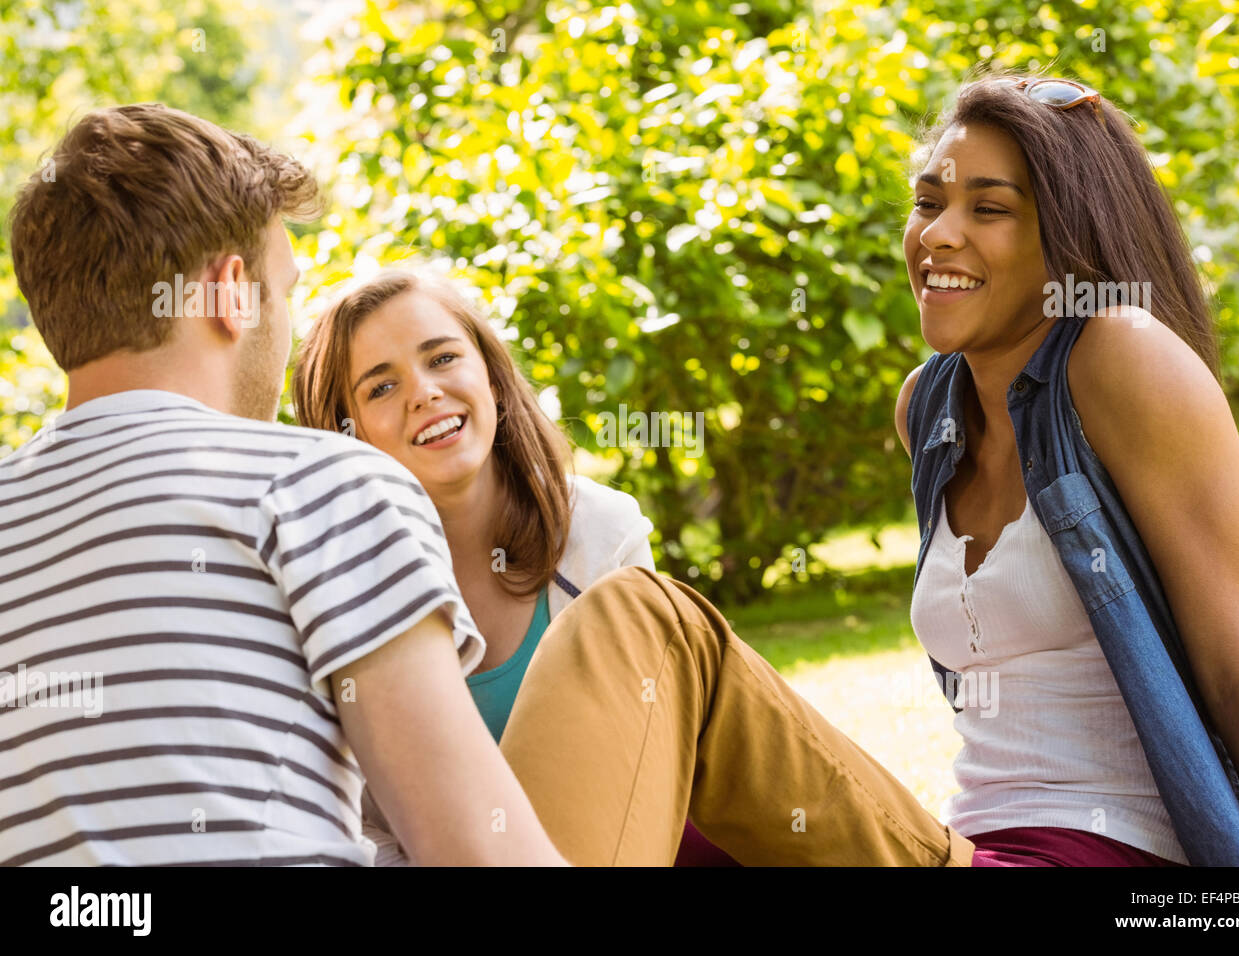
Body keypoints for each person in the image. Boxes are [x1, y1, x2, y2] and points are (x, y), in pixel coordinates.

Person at [0, 104, 566, 865]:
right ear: (233, 294)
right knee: (676, 639)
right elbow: (477, 852)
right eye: (286, 288)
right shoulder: (322, 486)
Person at [894, 74, 1239, 866]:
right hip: (972, 848)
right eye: (928, 201)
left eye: (989, 208)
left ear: (1068, 238)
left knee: (663, 635)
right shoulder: (928, 409)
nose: (938, 234)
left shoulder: (1120, 356)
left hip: (1116, 851)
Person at [291, 270, 736, 865]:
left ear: (492, 379)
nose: (423, 393)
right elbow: (372, 836)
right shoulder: (334, 596)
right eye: (380, 388)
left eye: (442, 357)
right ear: (346, 436)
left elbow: (661, 766)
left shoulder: (599, 531)